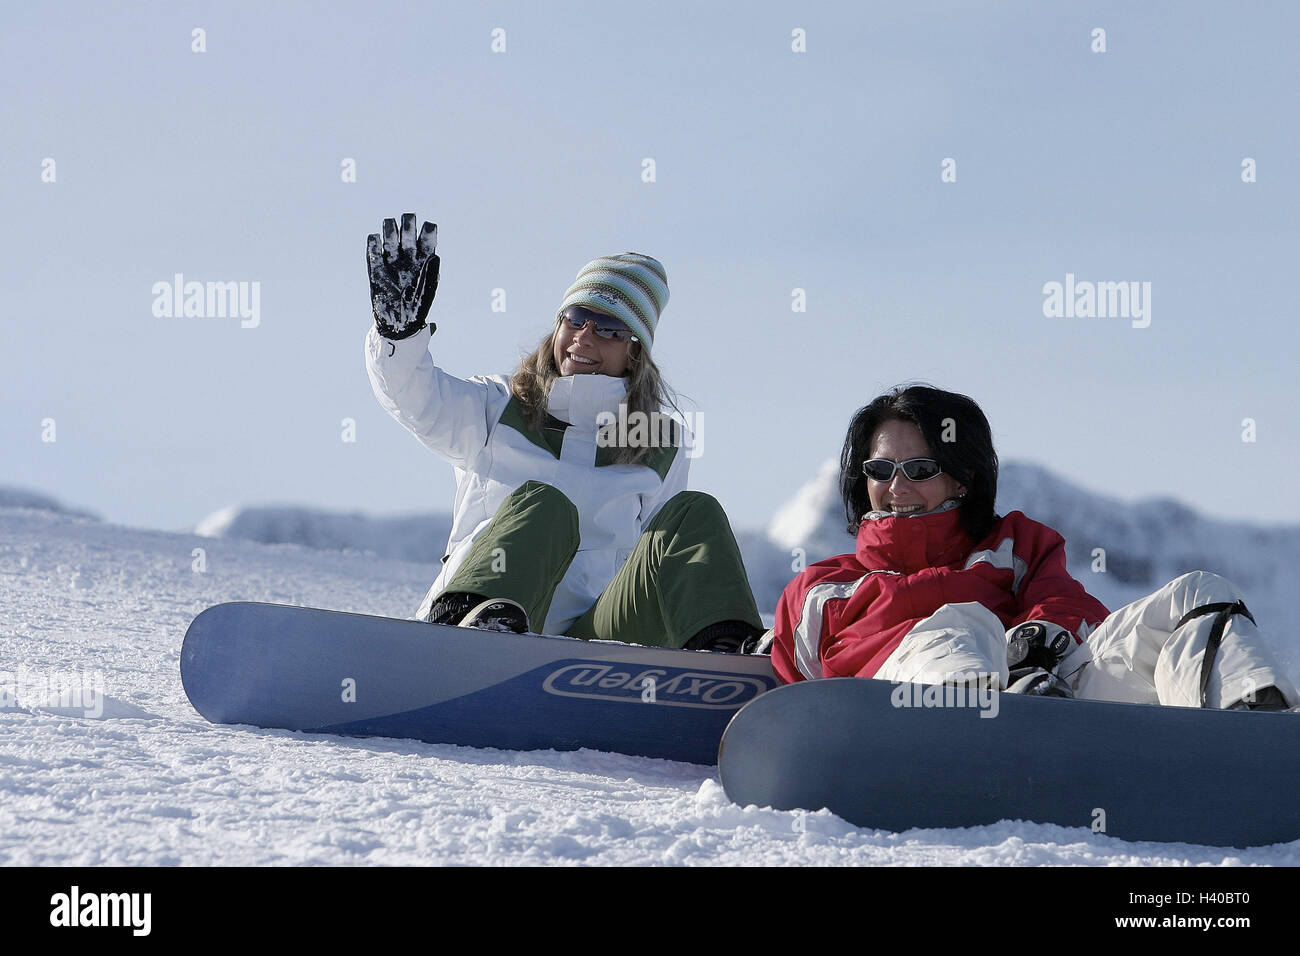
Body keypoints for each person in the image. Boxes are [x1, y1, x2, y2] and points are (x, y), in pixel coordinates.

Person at [363, 213, 764, 652]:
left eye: (609, 328)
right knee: (545, 504)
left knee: (694, 513)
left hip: (593, 642)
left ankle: (726, 654)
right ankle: (469, 634)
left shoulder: (657, 439)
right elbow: (414, 397)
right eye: (576, 318)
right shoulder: (497, 405)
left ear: (635, 352)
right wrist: (397, 335)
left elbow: (659, 557)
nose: (584, 337)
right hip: (486, 616)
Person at [769, 384, 1297, 710]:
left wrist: (1039, 639)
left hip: (1048, 699)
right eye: (880, 470)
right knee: (961, 623)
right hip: (903, 717)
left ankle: (1250, 729)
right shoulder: (821, 587)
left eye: (920, 469)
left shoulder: (1015, 546)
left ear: (963, 479)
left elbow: (1065, 602)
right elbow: (792, 702)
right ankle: (994, 731)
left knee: (1200, 594)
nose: (897, 487)